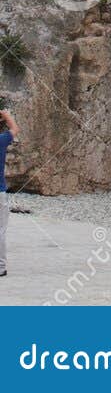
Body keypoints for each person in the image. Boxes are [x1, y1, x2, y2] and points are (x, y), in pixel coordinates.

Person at [0, 107, 18, 277]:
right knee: (1, 230)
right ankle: (0, 266)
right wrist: (6, 116)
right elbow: (14, 129)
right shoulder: (2, 140)